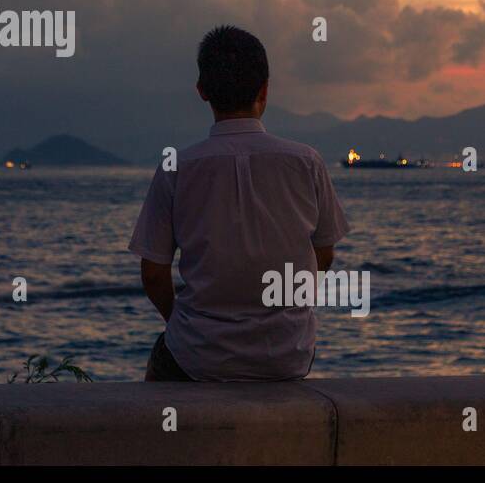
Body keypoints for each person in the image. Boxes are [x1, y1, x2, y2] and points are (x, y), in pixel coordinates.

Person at [128, 25, 349, 382]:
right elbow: (323, 256)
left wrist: (183, 324)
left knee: (158, 387)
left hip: (198, 355)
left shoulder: (177, 168)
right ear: (265, 90)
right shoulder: (307, 161)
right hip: (287, 354)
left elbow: (153, 275)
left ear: (202, 91)